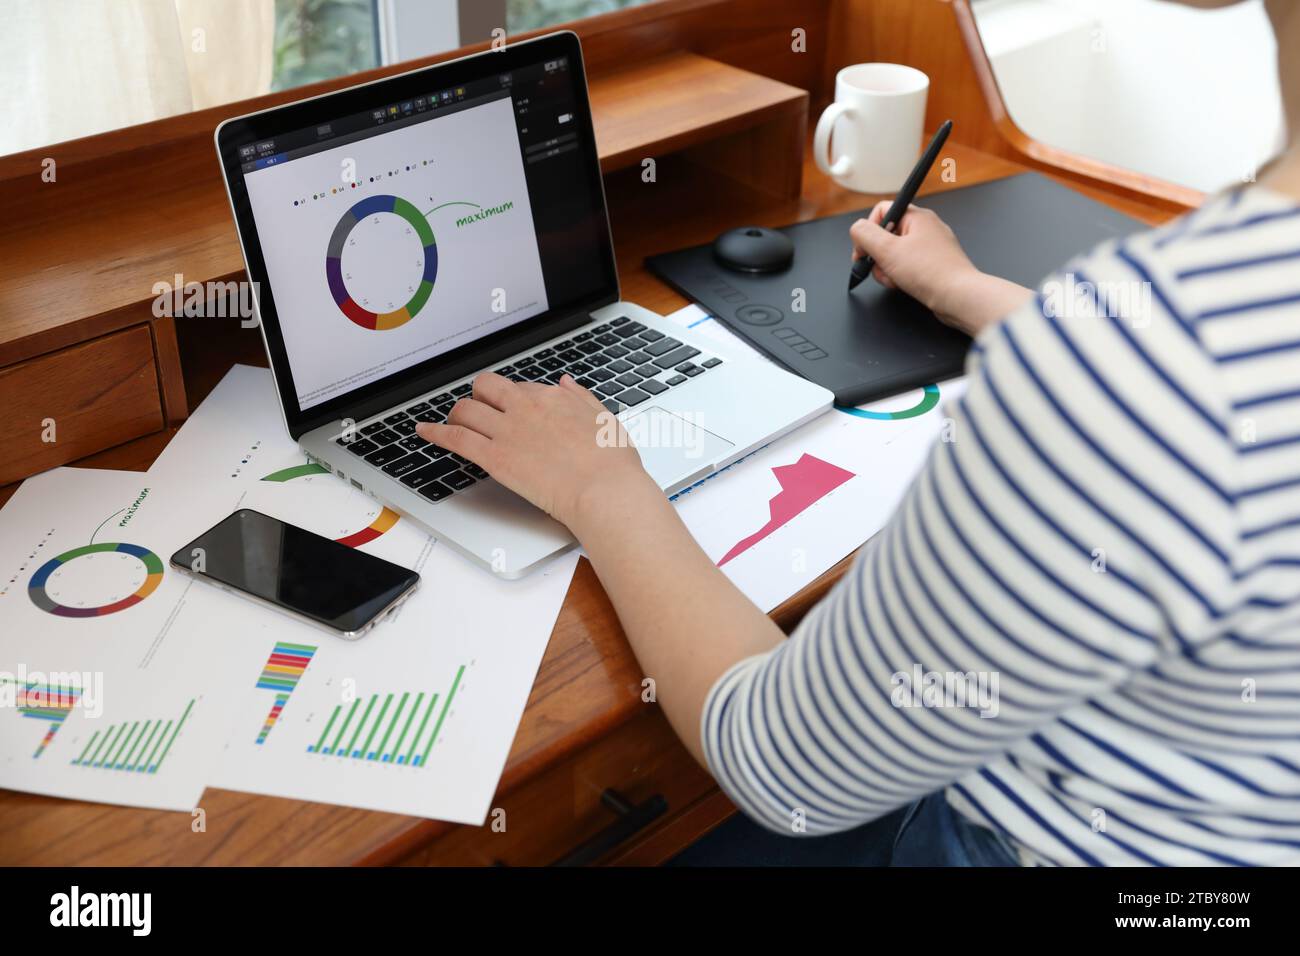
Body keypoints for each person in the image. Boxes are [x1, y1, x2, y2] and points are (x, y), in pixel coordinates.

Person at [418, 0, 1300, 865]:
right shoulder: (1194, 335)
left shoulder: (1148, 364)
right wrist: (970, 293)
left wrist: (600, 486)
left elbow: (784, 763)